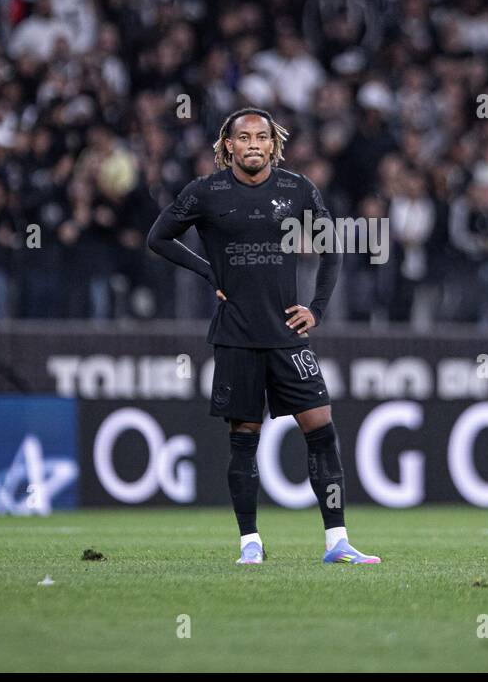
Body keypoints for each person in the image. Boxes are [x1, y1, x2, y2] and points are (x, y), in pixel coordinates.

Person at [147, 108, 379, 565]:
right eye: (243, 137)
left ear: (273, 144)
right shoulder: (207, 192)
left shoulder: (296, 189)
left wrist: (316, 309)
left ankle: (337, 542)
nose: (253, 143)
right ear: (228, 145)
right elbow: (159, 237)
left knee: (322, 429)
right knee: (244, 439)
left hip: (288, 335)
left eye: (262, 137)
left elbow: (332, 247)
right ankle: (249, 543)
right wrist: (207, 269)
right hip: (236, 337)